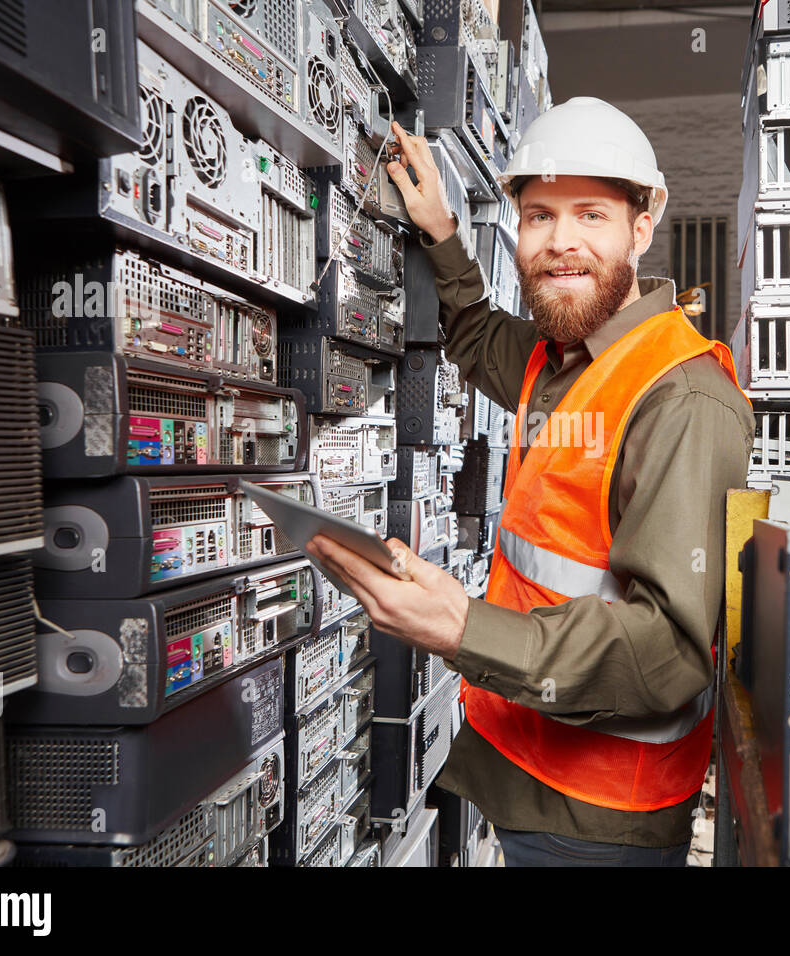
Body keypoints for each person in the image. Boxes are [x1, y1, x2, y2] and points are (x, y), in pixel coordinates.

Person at [307, 97, 754, 867]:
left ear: (641, 229)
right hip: (529, 769)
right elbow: (478, 337)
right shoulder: (562, 357)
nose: (561, 243)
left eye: (590, 215)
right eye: (540, 217)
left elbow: (671, 652)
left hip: (601, 813)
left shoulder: (680, 397)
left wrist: (462, 628)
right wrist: (443, 231)